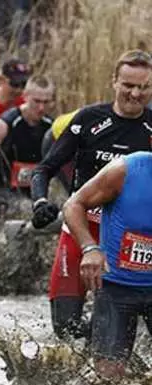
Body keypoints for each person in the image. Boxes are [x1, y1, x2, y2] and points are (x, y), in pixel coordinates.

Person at [30, 49, 152, 340]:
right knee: (66, 329)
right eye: (128, 85)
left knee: (118, 320)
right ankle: (90, 356)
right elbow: (44, 168)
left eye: (144, 87)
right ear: (114, 82)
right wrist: (40, 202)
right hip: (81, 229)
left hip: (130, 241)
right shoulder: (88, 119)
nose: (136, 93)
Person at [63, 152, 152, 377]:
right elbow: (74, 204)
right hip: (116, 288)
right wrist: (89, 248)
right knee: (108, 377)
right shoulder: (124, 171)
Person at [0, 75, 54, 216]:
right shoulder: (5, 124)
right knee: (25, 209)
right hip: (1, 192)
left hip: (33, 193)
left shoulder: (51, 126)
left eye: (46, 102)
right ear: (25, 96)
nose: (41, 108)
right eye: (37, 101)